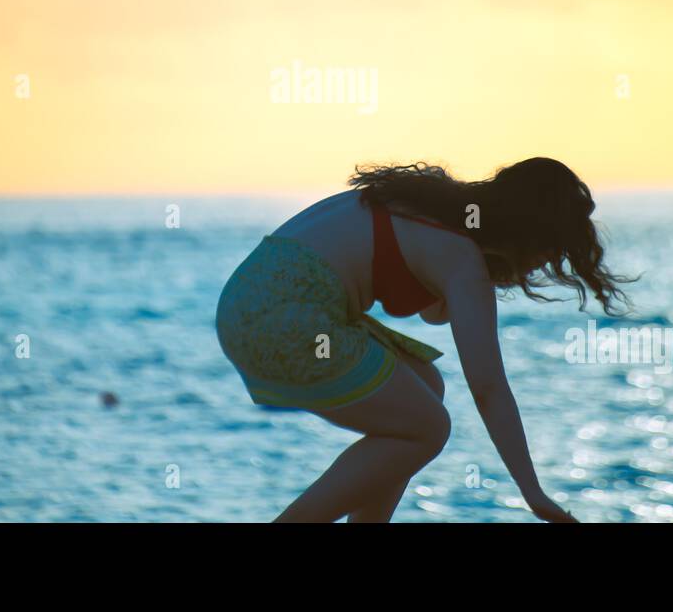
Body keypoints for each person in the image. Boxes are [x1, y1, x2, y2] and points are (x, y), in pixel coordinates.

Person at [215, 158, 635, 522]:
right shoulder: (458, 256)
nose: (544, 262)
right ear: (528, 232)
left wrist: (481, 277)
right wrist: (533, 493)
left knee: (427, 386)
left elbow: (431, 311)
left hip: (250, 303)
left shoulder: (431, 207)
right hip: (284, 319)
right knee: (427, 428)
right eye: (549, 249)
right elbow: (488, 388)